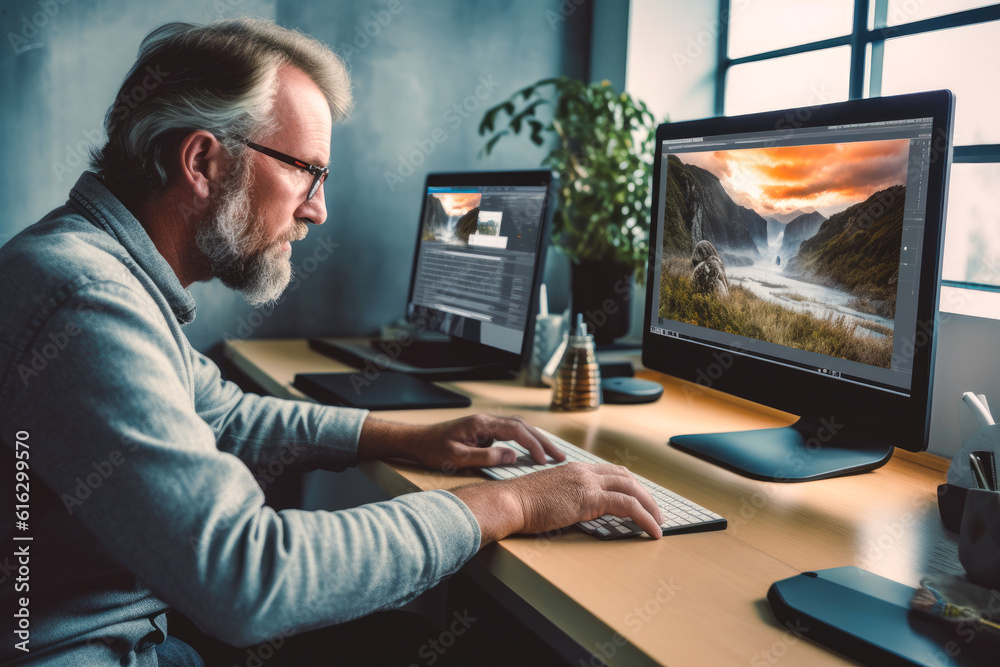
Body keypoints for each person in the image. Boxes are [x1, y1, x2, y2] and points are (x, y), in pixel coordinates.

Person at [0, 18, 662, 666]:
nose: (317, 207)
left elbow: (223, 415)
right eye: (305, 171)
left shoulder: (98, 271)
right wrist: (512, 499)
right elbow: (248, 579)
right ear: (202, 161)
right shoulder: (84, 299)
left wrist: (402, 436)